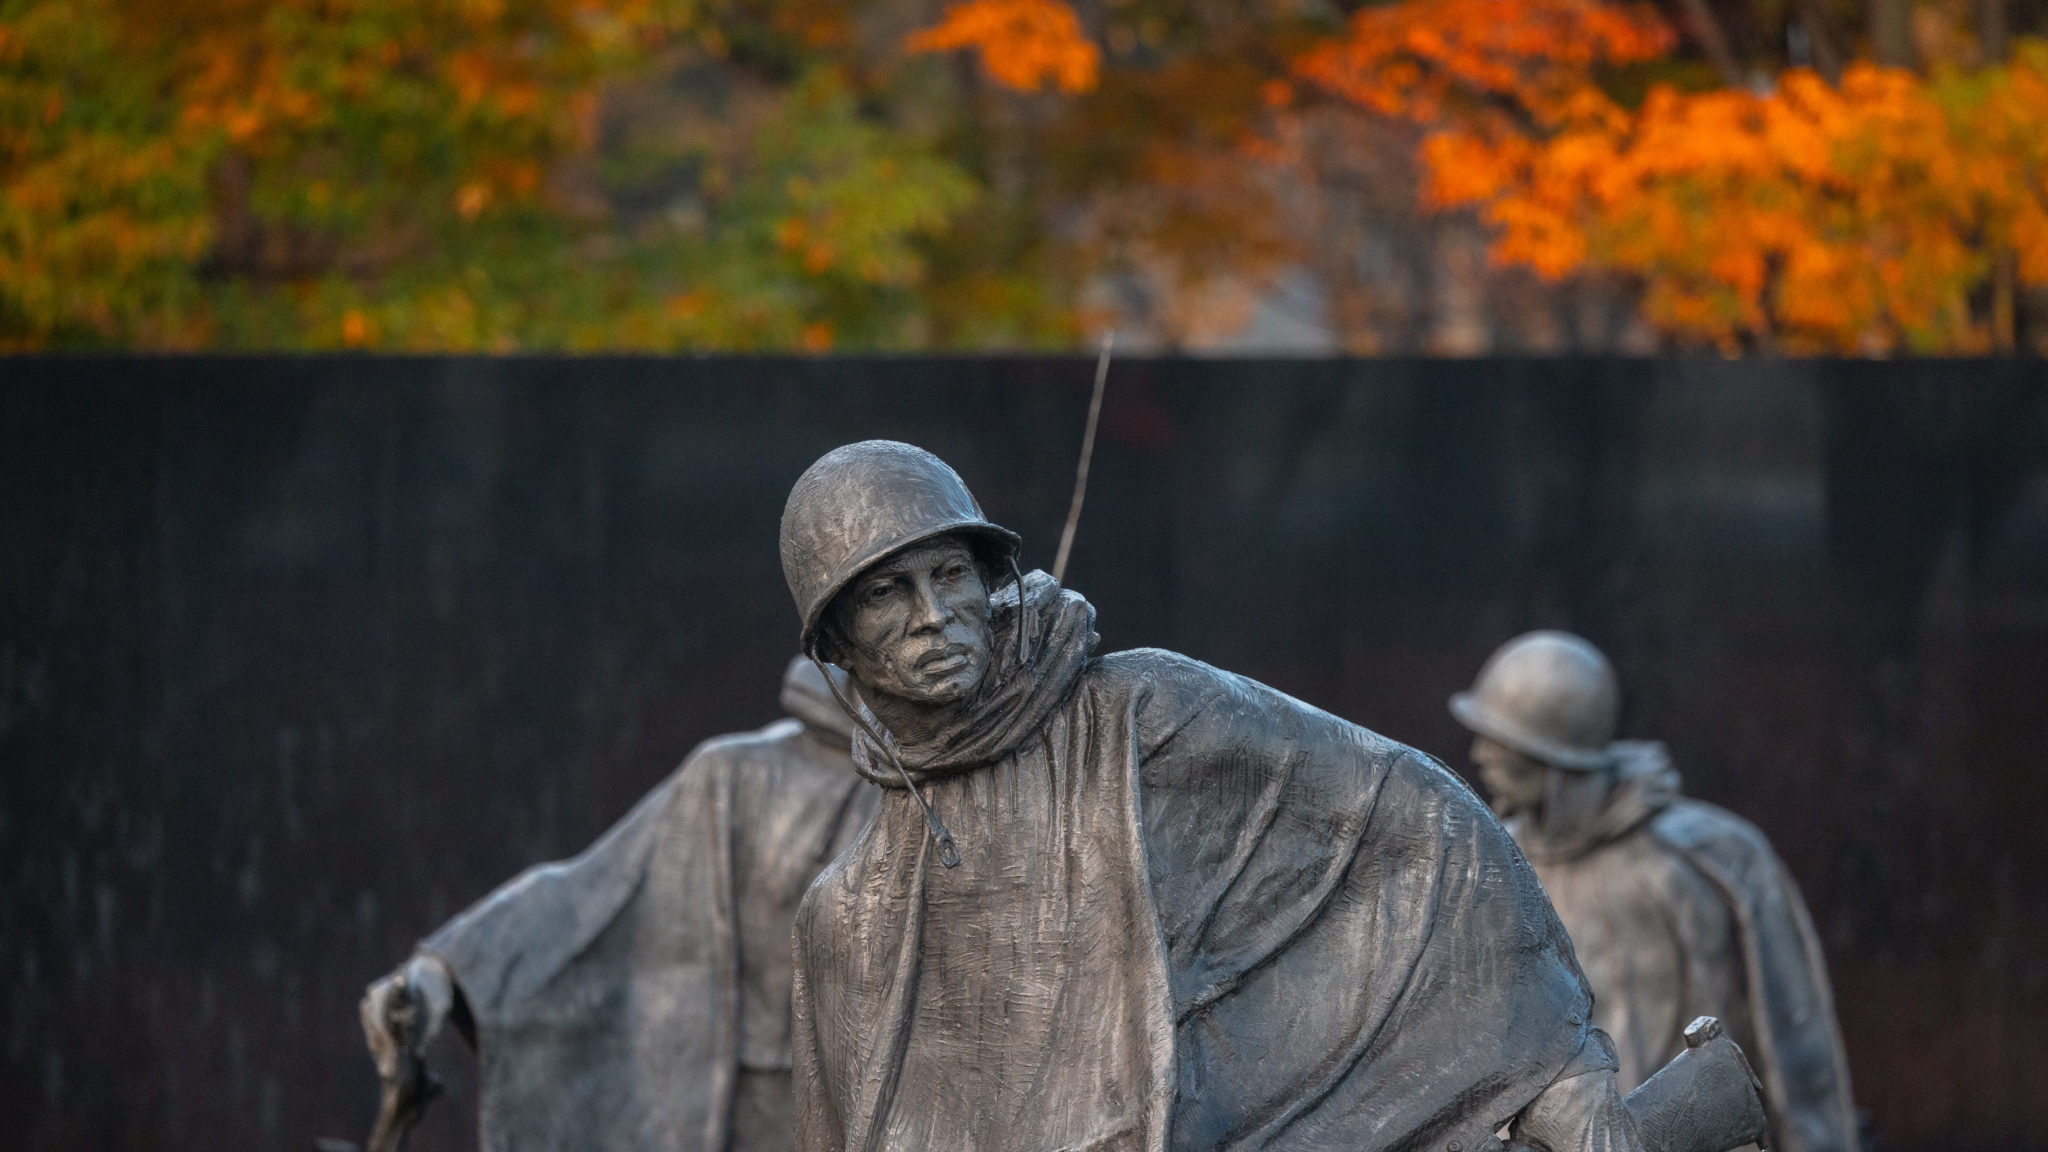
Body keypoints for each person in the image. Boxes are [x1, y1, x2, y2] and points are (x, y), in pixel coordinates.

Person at [780, 440, 1648, 1152]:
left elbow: (1418, 815)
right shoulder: (849, 919)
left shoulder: (1140, 712)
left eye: (950, 573)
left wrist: (1553, 1059)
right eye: (889, 591)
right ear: (838, 644)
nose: (934, 614)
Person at [359, 656, 878, 1152]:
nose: (929, 619)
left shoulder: (952, 796)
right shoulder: (738, 776)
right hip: (753, 1110)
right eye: (885, 594)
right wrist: (442, 969)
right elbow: (591, 896)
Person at [1450, 631, 1859, 1152]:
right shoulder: (1489, 870)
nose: (1477, 754)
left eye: (1499, 739)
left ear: (1550, 757)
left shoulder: (1709, 860)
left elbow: (1795, 1048)